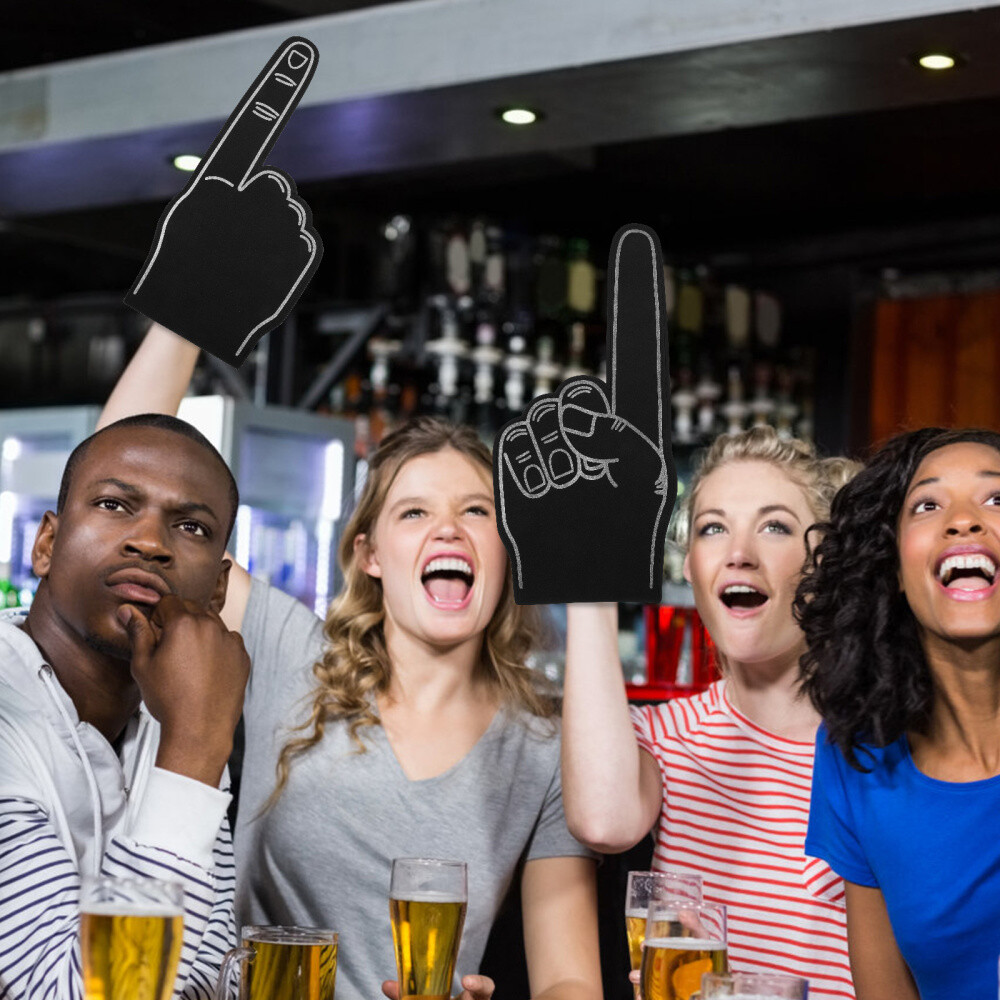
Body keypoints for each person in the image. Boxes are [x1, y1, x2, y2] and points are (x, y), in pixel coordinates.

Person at [99, 324, 603, 1000]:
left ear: (508, 550)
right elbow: (121, 476)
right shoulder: (290, 651)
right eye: (414, 513)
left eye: (476, 511)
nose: (447, 529)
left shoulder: (545, 745)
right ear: (371, 555)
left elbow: (569, 978)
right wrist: (187, 311)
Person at [561, 426, 858, 999]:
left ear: (826, 562)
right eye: (713, 528)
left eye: (774, 526)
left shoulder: (880, 747)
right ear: (692, 568)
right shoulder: (665, 736)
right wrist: (591, 575)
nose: (738, 553)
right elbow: (603, 822)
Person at [0, 414, 249, 999]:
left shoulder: (180, 717)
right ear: (47, 544)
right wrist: (194, 750)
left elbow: (208, 983)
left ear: (218, 590)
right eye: (114, 505)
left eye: (190, 526)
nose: (151, 542)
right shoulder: (191, 734)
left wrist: (190, 743)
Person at [799, 427, 1000, 1000]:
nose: (963, 521)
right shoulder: (858, 757)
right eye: (928, 505)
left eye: (996, 498)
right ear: (892, 568)